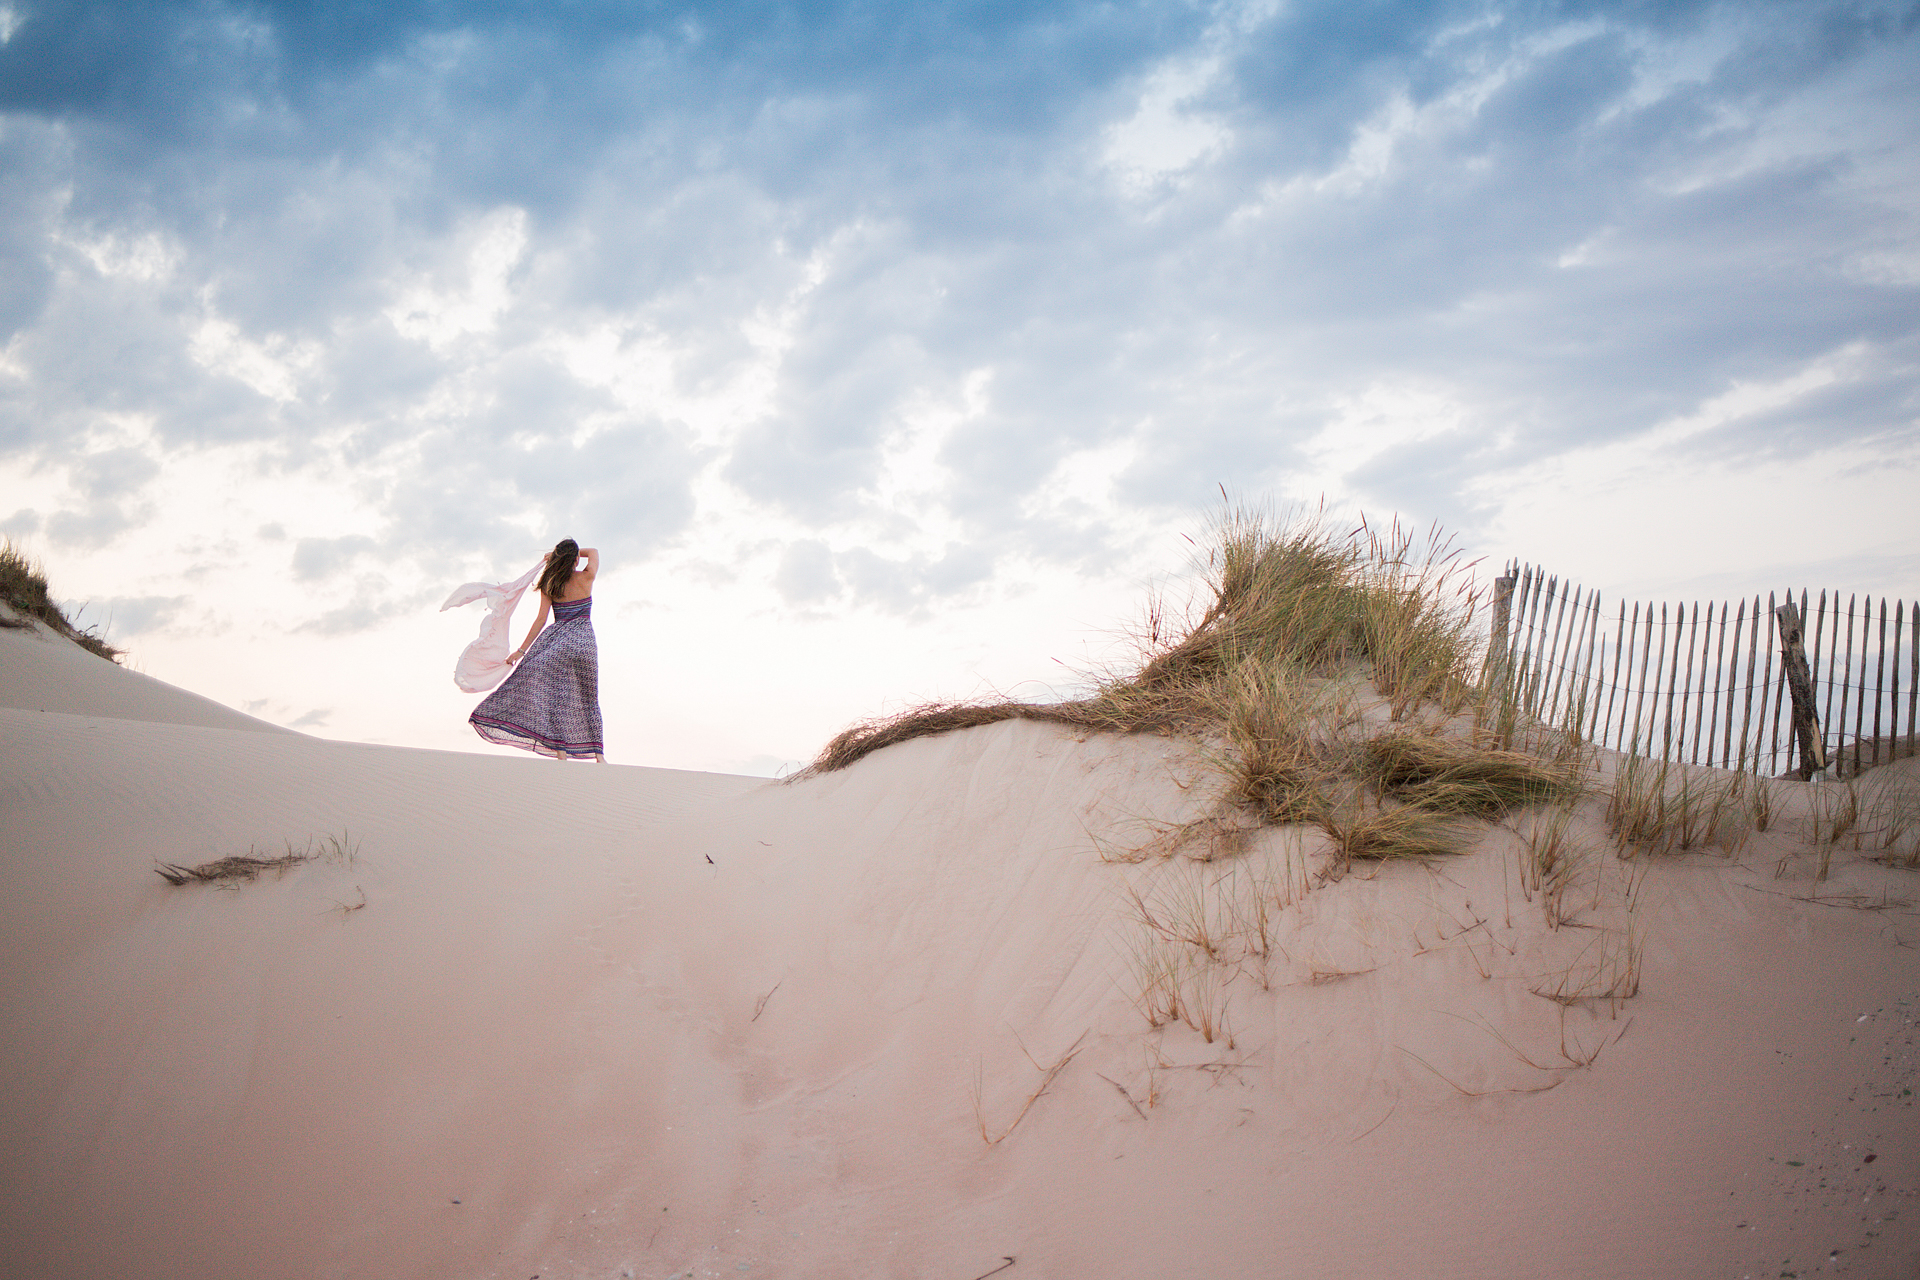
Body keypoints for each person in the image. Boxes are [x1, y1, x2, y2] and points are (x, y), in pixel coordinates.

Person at [467, 538, 606, 762]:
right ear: (575, 559)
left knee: (555, 698)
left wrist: (520, 651)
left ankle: (561, 753)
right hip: (584, 644)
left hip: (558, 645)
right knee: (589, 699)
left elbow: (540, 620)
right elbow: (594, 551)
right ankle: (599, 756)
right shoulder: (586, 576)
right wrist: (565, 554)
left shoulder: (551, 584)